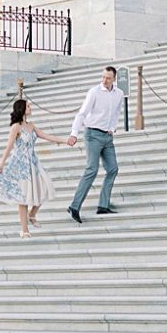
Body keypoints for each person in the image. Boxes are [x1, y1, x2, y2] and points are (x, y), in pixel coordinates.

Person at [0, 97, 65, 238]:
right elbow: (9, 146)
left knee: (46, 189)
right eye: (28, 106)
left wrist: (65, 140)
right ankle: (24, 230)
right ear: (22, 109)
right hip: (20, 165)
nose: (30, 107)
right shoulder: (16, 127)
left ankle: (32, 214)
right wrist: (1, 163)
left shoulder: (31, 126)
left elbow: (46, 136)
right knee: (23, 198)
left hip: (33, 163)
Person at [67, 65, 124, 222]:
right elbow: (82, 113)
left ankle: (103, 205)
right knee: (92, 169)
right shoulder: (94, 92)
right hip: (92, 134)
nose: (105, 80)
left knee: (113, 168)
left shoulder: (119, 94)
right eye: (103, 77)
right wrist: (74, 133)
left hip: (107, 136)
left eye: (108, 78)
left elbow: (117, 112)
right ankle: (74, 206)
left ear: (114, 79)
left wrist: (112, 128)